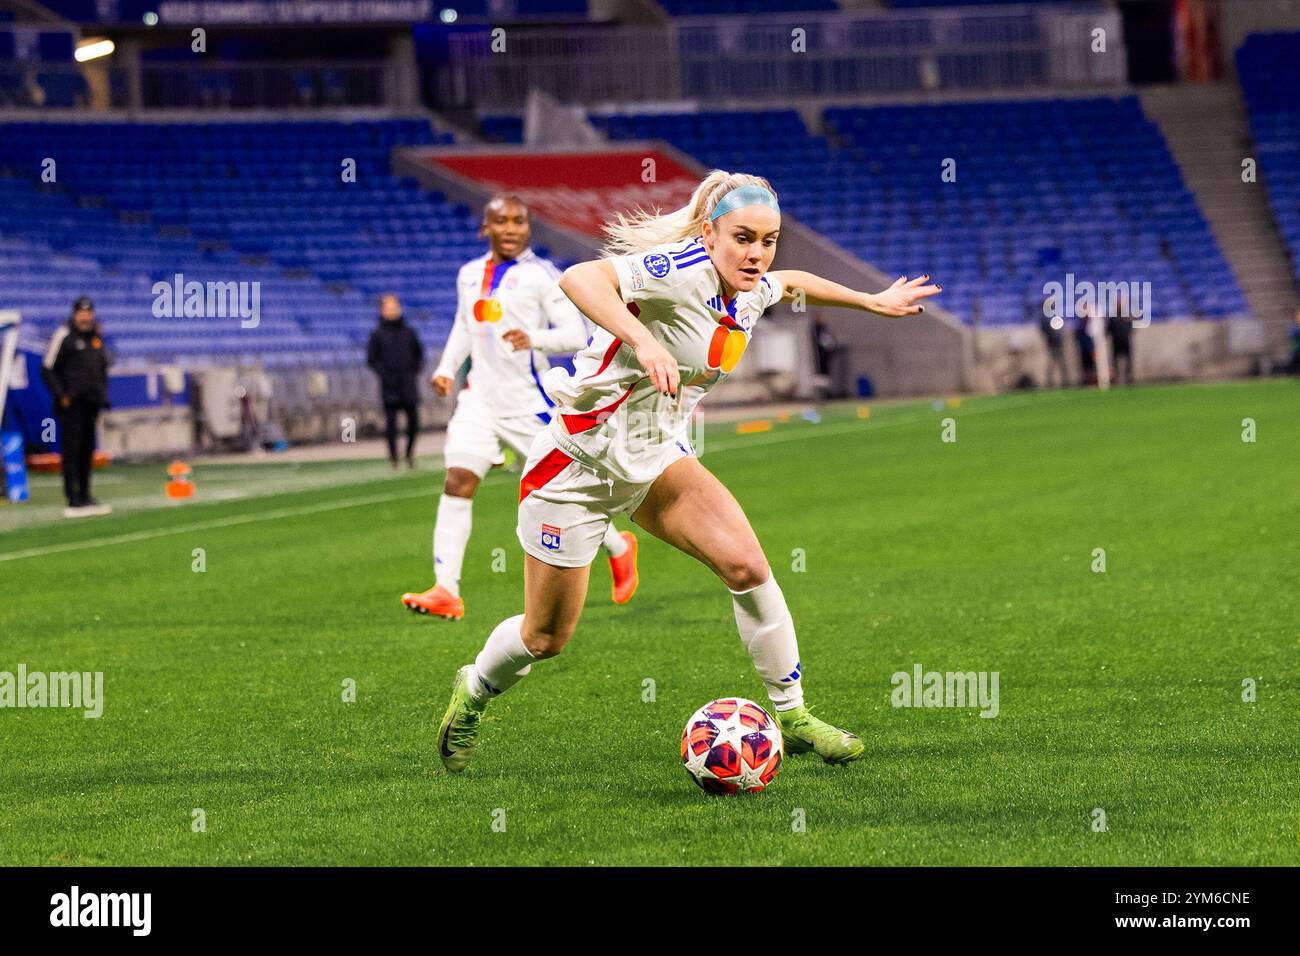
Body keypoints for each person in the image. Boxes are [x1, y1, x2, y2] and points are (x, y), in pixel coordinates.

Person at [434, 170, 940, 773]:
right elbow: (580, 277)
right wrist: (642, 342)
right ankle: (473, 692)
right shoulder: (679, 271)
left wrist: (870, 300)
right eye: (743, 238)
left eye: (768, 239)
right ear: (710, 233)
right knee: (545, 639)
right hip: (574, 467)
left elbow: (791, 283)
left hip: (654, 459)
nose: (757, 254)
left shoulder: (750, 287)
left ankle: (795, 716)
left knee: (747, 565)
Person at [401, 194, 639, 620]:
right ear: (485, 228)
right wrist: (445, 368)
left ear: (528, 228)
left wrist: (535, 338)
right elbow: (464, 325)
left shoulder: (544, 276)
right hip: (478, 400)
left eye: (519, 221)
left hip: (529, 402)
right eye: (501, 221)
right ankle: (445, 589)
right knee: (457, 481)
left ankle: (620, 547)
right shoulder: (469, 274)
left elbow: (576, 333)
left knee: (567, 490)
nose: (510, 229)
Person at [42, 296, 111, 517]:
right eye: (81, 312)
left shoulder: (96, 338)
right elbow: (47, 369)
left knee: (86, 450)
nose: (85, 316)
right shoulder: (64, 336)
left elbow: (100, 370)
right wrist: (62, 394)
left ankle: (85, 494)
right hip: (71, 405)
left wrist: (102, 395)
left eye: (88, 312)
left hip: (91, 404)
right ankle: (72, 497)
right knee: (72, 451)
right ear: (74, 314)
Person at [366, 293, 424, 468]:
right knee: (391, 424)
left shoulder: (409, 332)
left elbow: (418, 354)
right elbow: (372, 359)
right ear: (382, 311)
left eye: (394, 307)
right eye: (388, 308)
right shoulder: (377, 334)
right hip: (389, 386)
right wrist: (385, 374)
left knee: (414, 421)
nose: (392, 311)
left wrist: (412, 371)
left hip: (408, 385)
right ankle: (394, 457)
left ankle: (409, 453)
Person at [1106, 293, 1135, 385]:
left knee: (1128, 361)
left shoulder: (1127, 316)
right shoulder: (1113, 317)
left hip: (1125, 341)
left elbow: (1131, 328)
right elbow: (1108, 329)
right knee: (1115, 362)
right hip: (1116, 342)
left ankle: (1128, 378)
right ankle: (1116, 379)